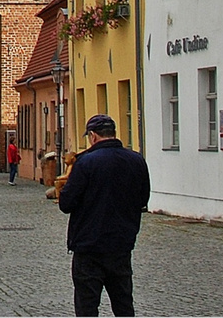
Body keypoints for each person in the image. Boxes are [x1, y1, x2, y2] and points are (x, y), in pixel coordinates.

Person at [58, 114, 150, 317]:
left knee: (87, 306)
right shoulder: (136, 160)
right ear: (113, 133)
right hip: (121, 244)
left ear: (92, 136)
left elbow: (66, 203)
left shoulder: (85, 163)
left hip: (89, 245)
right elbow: (143, 199)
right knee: (124, 303)